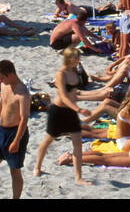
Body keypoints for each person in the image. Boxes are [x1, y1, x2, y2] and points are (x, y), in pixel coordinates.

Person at [32, 47, 93, 184]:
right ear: (69, 58)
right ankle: (37, 167)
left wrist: (95, 95)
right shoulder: (61, 74)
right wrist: (79, 109)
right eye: (77, 58)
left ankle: (78, 177)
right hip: (58, 111)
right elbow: (64, 97)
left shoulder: (74, 72)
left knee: (77, 144)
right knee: (48, 140)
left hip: (71, 111)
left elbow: (75, 94)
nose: (79, 60)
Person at [0, 59, 30, 199]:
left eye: (2, 77)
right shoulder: (4, 85)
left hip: (16, 133)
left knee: (14, 171)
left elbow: (24, 119)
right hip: (1, 131)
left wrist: (16, 141)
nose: (0, 80)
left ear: (10, 75)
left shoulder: (23, 93)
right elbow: (2, 103)